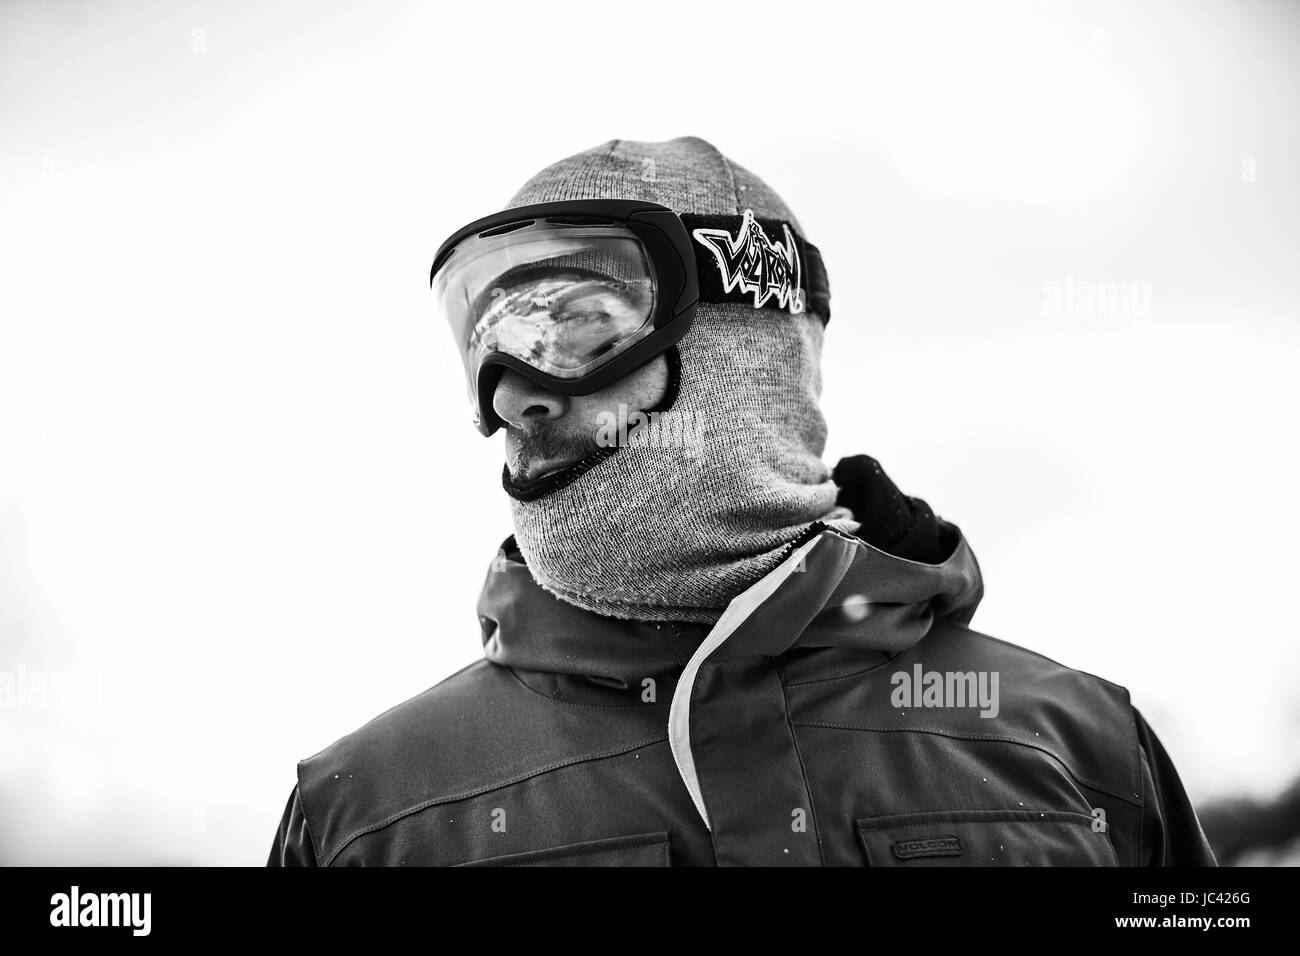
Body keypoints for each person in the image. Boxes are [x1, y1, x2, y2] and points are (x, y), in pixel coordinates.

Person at [267, 136, 1216, 866]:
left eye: (579, 326)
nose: (516, 391)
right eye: (491, 340)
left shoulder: (1080, 754)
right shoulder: (370, 819)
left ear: (745, 355)